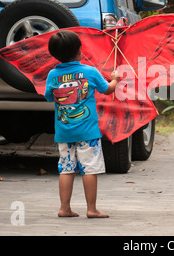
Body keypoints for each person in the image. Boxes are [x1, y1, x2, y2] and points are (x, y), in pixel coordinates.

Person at [44, 30, 120, 218]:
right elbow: (107, 90)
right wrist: (116, 79)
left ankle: (64, 208)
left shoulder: (52, 75)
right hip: (88, 133)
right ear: (79, 51)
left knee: (66, 169)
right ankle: (92, 209)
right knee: (90, 170)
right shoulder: (90, 71)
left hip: (64, 132)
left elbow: (48, 97)